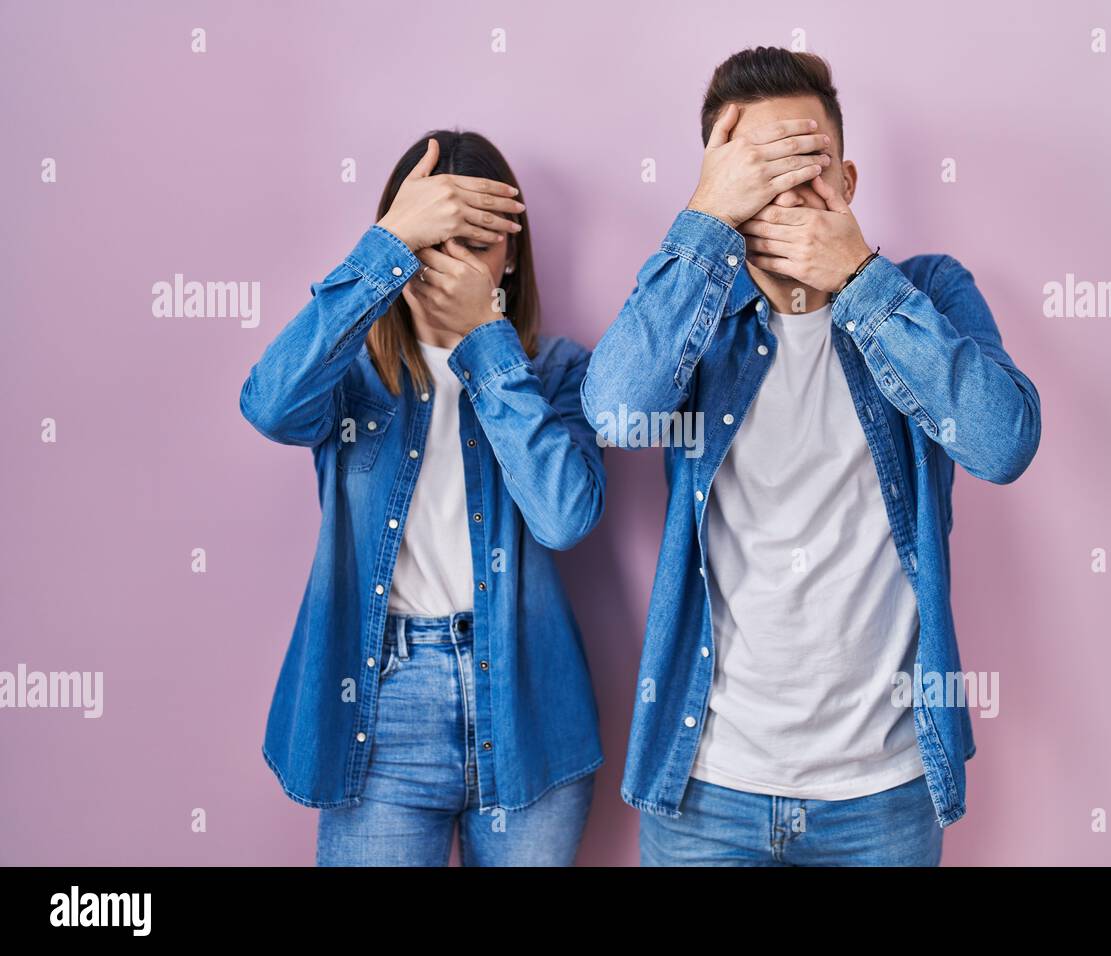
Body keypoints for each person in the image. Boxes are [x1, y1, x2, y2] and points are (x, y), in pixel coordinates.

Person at [582, 48, 1041, 866]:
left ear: (851, 182)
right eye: (758, 171)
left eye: (808, 168)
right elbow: (616, 413)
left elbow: (1002, 442)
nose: (785, 195)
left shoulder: (926, 293)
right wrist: (704, 223)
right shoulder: (698, 317)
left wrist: (860, 277)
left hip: (883, 792)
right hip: (707, 781)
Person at [240, 130, 605, 866]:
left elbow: (565, 516)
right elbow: (268, 404)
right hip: (380, 706)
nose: (453, 264)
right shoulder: (350, 377)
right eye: (435, 239)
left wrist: (486, 340)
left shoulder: (557, 370)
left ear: (511, 256)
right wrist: (384, 247)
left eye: (478, 241)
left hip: (529, 704)